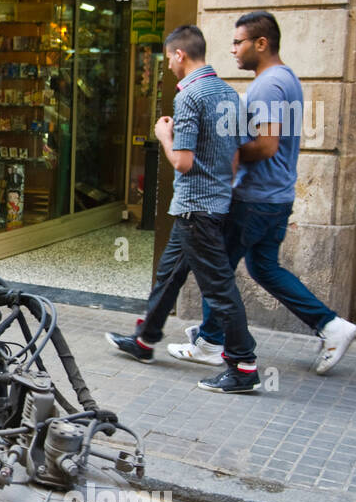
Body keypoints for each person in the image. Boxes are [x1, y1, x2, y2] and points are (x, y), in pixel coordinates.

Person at [167, 11, 356, 374]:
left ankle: (211, 341)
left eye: (238, 42)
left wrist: (226, 153)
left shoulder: (268, 85)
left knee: (216, 266)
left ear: (261, 43)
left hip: (256, 197)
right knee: (264, 267)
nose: (233, 50)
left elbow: (267, 145)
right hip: (277, 196)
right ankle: (332, 326)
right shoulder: (285, 78)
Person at [105, 25, 260, 394]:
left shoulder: (190, 96)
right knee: (169, 275)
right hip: (215, 204)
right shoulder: (227, 92)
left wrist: (163, 136)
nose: (169, 67)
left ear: (179, 55)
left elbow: (183, 162)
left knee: (219, 288)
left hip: (196, 209)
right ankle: (144, 341)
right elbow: (236, 156)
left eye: (168, 59)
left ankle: (244, 365)